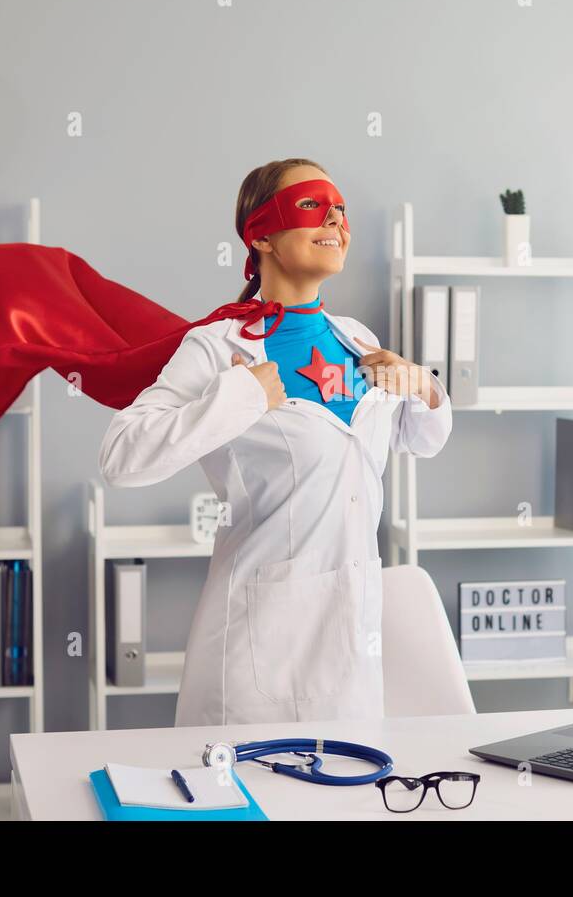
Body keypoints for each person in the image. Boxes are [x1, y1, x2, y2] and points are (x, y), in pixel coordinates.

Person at [98, 158, 452, 726]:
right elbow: (122, 457)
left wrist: (422, 386)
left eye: (341, 208)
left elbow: (420, 439)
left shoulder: (358, 340)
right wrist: (237, 397)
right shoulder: (218, 349)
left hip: (353, 646)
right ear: (260, 234)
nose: (336, 217)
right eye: (314, 204)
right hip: (256, 646)